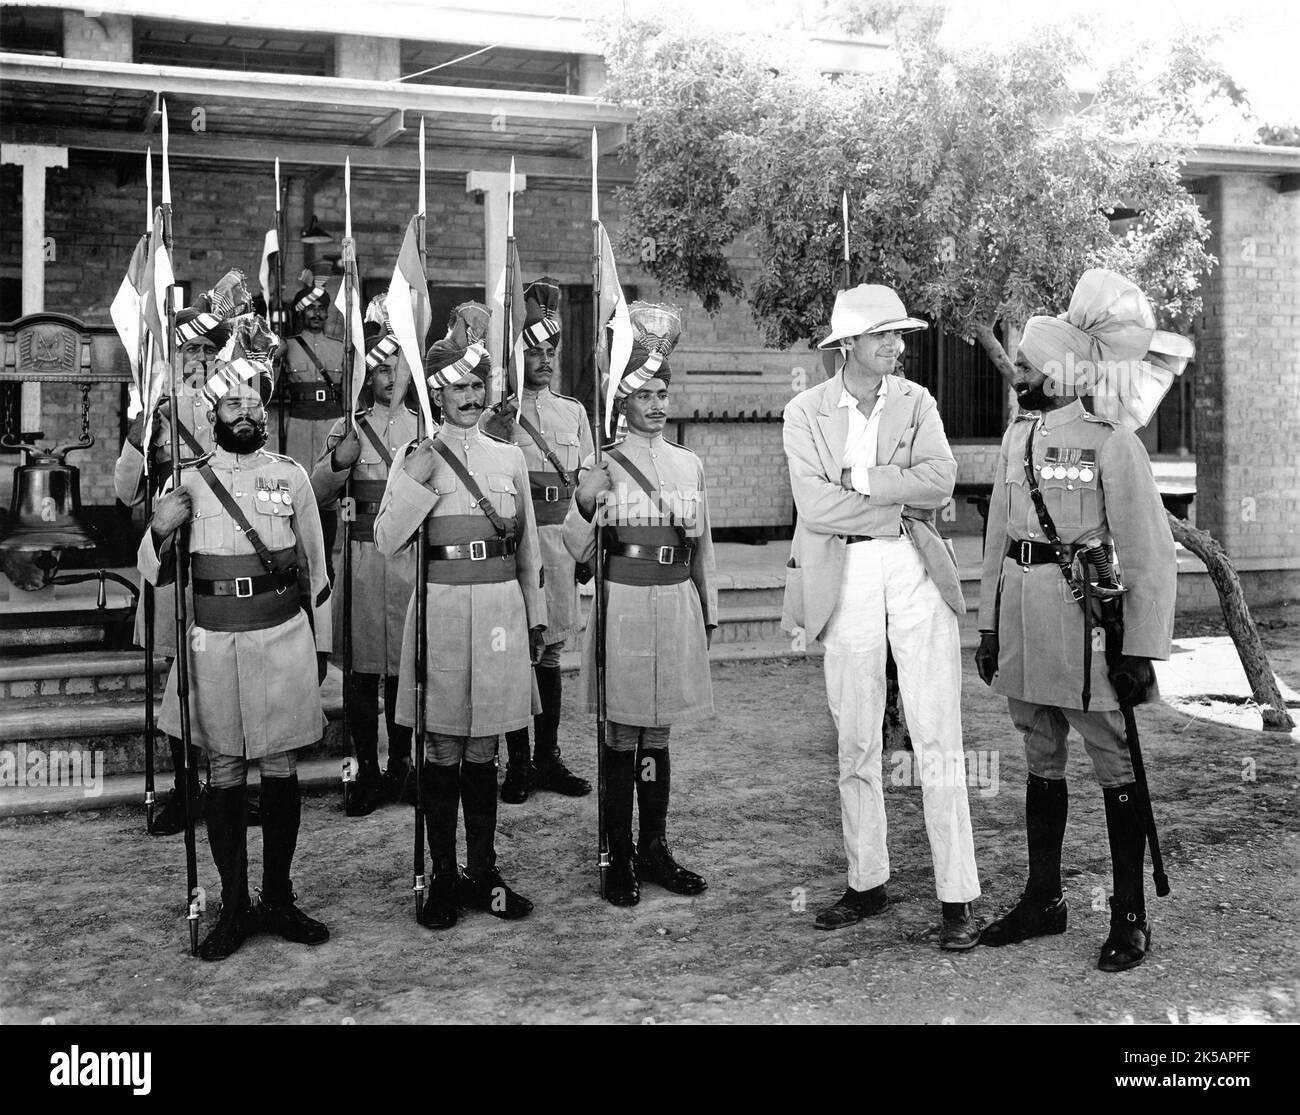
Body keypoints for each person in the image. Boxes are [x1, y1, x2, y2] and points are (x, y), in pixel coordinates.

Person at [975, 269, 1179, 972]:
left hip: (1084, 624)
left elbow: (1149, 554)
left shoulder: (1111, 442)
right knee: (1039, 754)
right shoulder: (1016, 440)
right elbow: (998, 540)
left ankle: (1129, 916)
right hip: (1024, 623)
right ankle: (1044, 900)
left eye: (1028, 365)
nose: (1018, 375)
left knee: (1114, 761)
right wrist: (989, 627)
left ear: (1061, 372)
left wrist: (1141, 649)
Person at [781, 283, 980, 950]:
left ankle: (958, 896)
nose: (897, 345)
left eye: (900, 334)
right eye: (883, 335)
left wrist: (861, 479)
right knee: (857, 735)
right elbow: (815, 507)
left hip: (915, 567)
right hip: (846, 573)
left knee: (937, 732)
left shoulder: (917, 401)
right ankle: (866, 881)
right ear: (848, 345)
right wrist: (896, 502)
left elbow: (941, 481)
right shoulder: (804, 411)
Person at [139, 315, 332, 961]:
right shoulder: (188, 480)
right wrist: (159, 526)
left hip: (281, 638)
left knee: (279, 768)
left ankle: (278, 896)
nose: (244, 411)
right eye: (232, 402)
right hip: (215, 644)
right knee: (223, 770)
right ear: (213, 410)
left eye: (254, 400)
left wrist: (321, 646)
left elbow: (317, 570)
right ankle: (234, 905)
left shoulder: (291, 475)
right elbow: (150, 570)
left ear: (265, 406)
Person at [373, 324, 545, 930]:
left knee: (484, 745)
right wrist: (414, 481)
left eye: (477, 385)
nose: (471, 396)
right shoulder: (414, 457)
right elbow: (387, 541)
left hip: (500, 611)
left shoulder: (509, 457)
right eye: (457, 387)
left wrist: (535, 617)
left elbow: (526, 548)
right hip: (441, 612)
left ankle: (484, 874)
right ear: (437, 396)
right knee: (443, 744)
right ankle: (443, 876)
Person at [563, 303, 715, 907]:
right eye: (644, 394)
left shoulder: (688, 463)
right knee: (622, 731)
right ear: (622, 400)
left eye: (661, 393)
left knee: (658, 732)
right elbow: (577, 551)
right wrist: (586, 501)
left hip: (673, 602)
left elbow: (702, 548)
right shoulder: (601, 463)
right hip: (622, 603)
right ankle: (616, 852)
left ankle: (654, 847)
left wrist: (707, 610)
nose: (655, 404)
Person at [114, 285, 244, 836]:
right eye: (190, 350)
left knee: (227, 670)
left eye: (209, 350)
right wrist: (141, 439)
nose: (200, 360)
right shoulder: (155, 409)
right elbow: (125, 492)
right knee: (177, 677)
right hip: (172, 554)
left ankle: (227, 787)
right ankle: (185, 785)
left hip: (225, 554)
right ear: (174, 355)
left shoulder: (238, 403)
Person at [482, 278, 593, 803]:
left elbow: (588, 488)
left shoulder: (573, 412)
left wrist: (586, 548)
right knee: (520, 653)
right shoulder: (499, 415)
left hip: (560, 545)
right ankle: (519, 764)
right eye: (534, 351)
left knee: (551, 655)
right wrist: (496, 431)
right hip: (520, 550)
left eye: (551, 351)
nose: (544, 360)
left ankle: (548, 758)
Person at [310, 327, 418, 816]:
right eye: (381, 369)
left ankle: (402, 766)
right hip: (361, 560)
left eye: (399, 368)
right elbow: (316, 494)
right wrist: (339, 460)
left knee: (403, 668)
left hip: (410, 559)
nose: (391, 377)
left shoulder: (424, 428)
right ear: (367, 377)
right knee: (360, 673)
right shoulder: (347, 427)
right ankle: (363, 772)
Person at [279, 278, 345, 562]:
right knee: (298, 489)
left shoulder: (340, 347)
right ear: (300, 313)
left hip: (332, 423)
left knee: (328, 491)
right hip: (299, 426)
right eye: (310, 308)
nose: (317, 313)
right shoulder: (287, 346)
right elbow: (269, 385)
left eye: (321, 308)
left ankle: (327, 557)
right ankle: (299, 556)